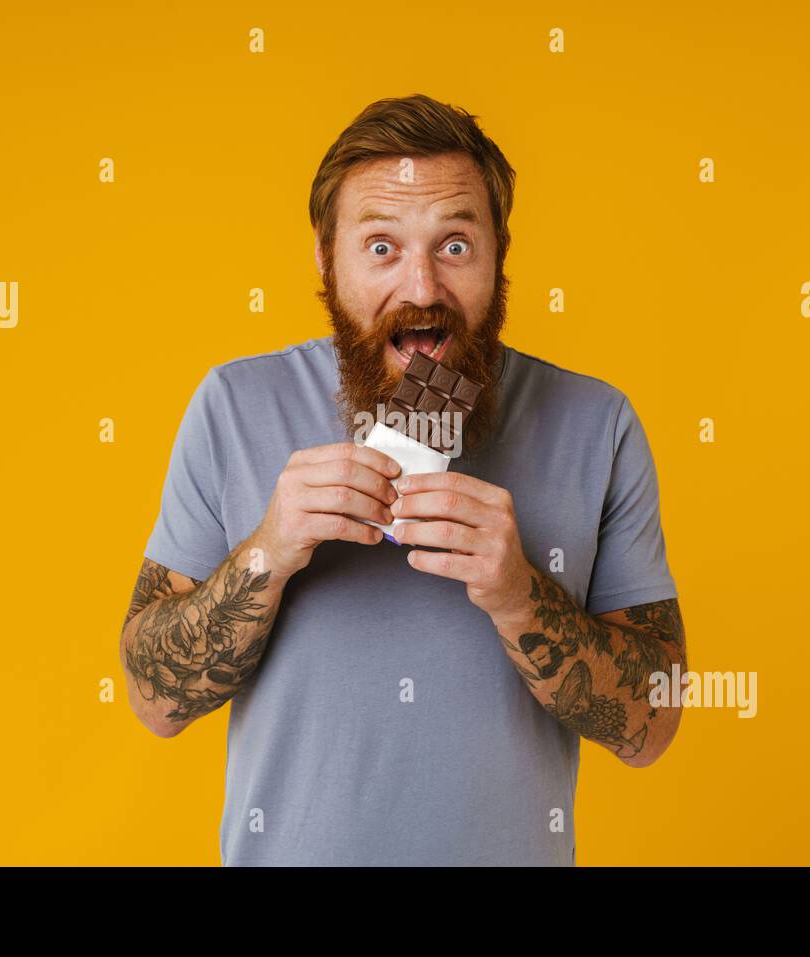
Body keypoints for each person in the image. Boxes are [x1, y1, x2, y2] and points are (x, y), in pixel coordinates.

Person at [120, 93, 687, 866]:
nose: (421, 289)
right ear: (325, 258)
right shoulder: (232, 406)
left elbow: (652, 725)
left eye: (454, 245)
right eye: (381, 247)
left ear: (500, 251)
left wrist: (520, 594)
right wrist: (269, 550)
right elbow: (155, 699)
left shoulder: (597, 423)